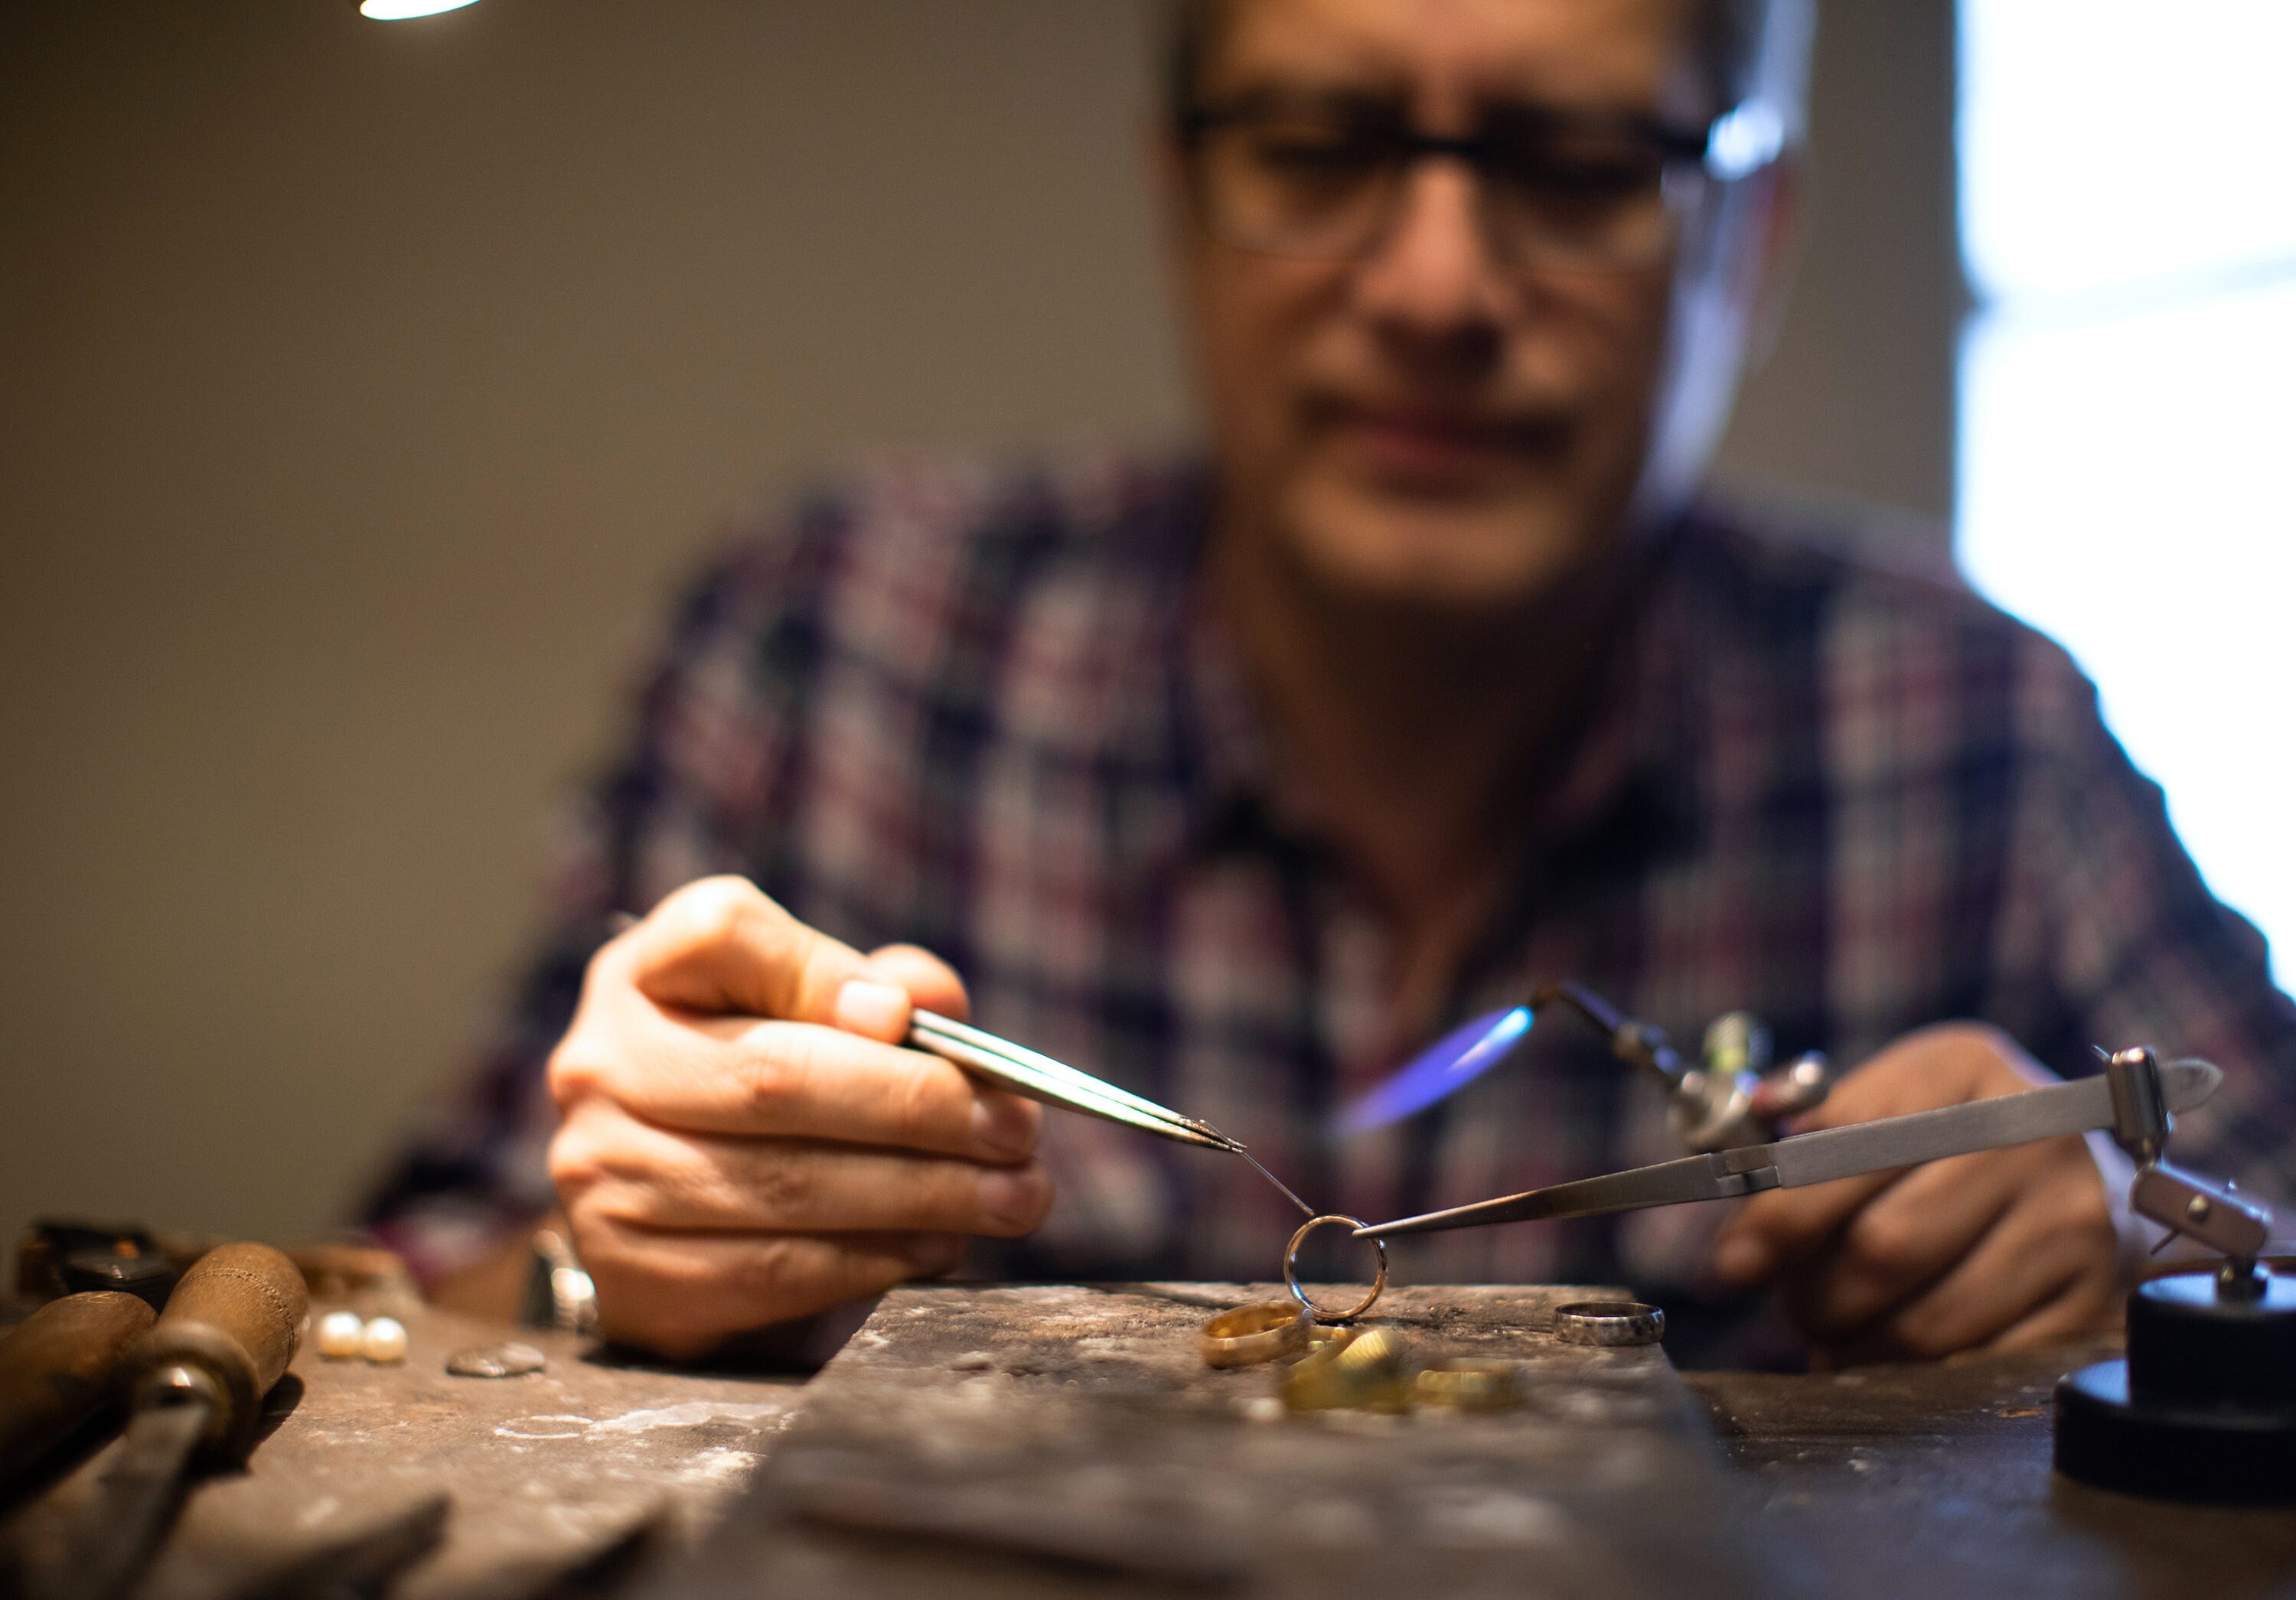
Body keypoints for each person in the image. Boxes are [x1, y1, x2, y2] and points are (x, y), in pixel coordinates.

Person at [364, 0, 2296, 1367]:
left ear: (1749, 241)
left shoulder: (1970, 726)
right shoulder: (829, 654)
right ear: (1185, 195)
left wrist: (2159, 1243)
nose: (1438, 287)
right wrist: (613, 1257)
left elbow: (2267, 1198)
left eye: (1572, 160)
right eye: (1323, 145)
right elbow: (410, 1280)